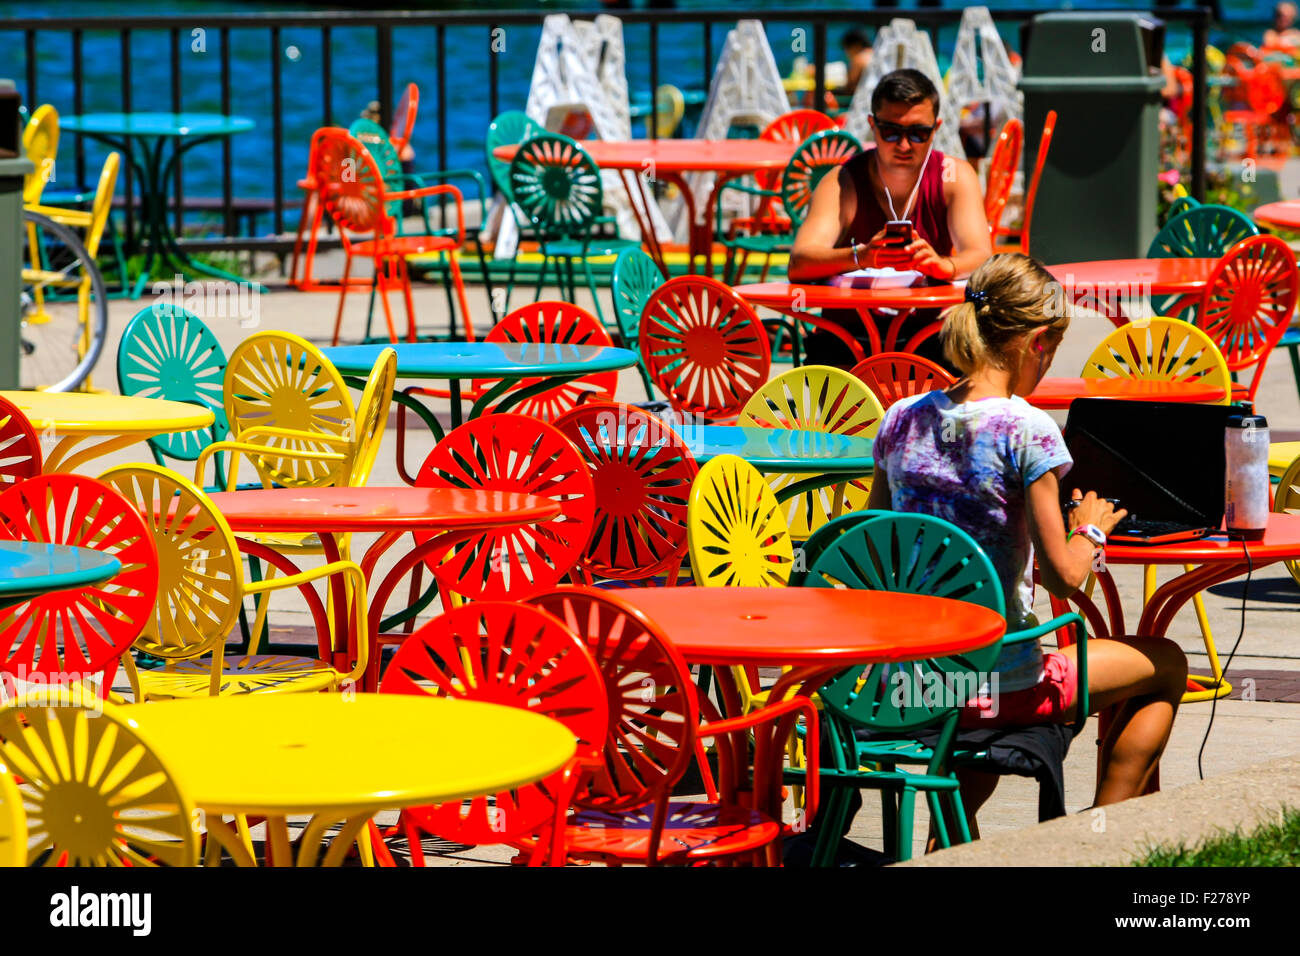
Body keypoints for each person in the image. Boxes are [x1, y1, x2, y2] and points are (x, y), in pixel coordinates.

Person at [865, 253, 1188, 837]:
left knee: (989, 684)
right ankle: (1099, 838)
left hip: (908, 682)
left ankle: (950, 842)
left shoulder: (898, 419)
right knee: (1166, 662)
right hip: (996, 685)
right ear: (1038, 340)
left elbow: (876, 543)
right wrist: (1090, 528)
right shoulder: (1026, 428)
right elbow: (1065, 578)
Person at [788, 69, 992, 370]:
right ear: (873, 126)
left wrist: (943, 265)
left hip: (929, 336)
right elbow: (800, 262)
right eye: (891, 131)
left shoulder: (954, 177)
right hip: (849, 339)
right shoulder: (843, 180)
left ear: (936, 129)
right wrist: (862, 256)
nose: (904, 145)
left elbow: (981, 256)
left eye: (918, 133)